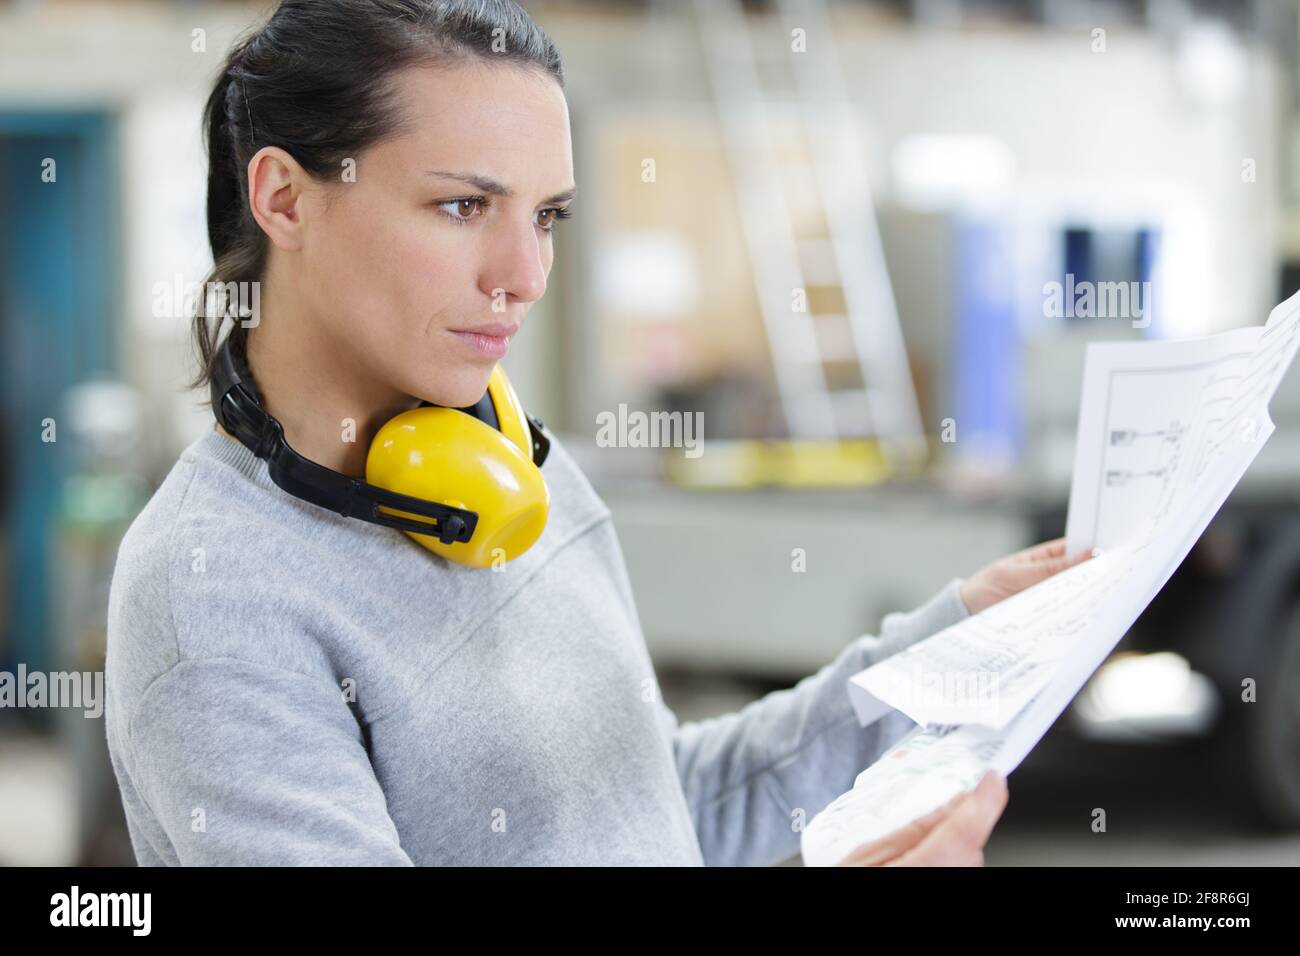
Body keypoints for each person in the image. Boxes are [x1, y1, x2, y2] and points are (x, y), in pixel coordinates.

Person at [104, 0, 1084, 867]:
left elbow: (656, 805)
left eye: (547, 216)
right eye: (462, 204)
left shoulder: (517, 463)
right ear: (283, 197)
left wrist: (943, 647)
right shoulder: (217, 596)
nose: (525, 274)